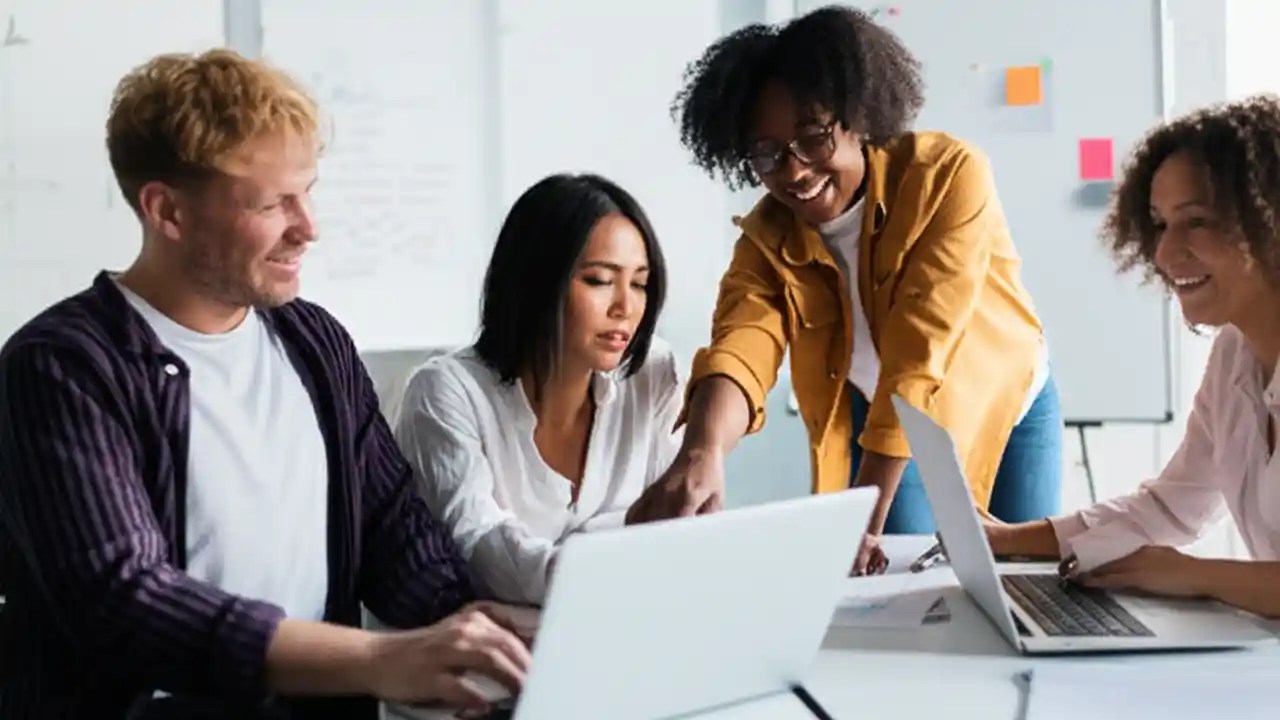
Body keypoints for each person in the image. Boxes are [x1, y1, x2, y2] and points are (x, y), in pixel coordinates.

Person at [0, 49, 531, 718]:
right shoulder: (60, 367)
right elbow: (123, 596)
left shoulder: (315, 341)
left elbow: (391, 526)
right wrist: (377, 659)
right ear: (167, 212)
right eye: (275, 203)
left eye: (308, 190)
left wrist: (476, 622)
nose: (309, 227)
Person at [628, 6, 1062, 572]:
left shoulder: (947, 176)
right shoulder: (766, 238)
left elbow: (919, 352)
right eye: (767, 154)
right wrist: (703, 450)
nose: (794, 170)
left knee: (1022, 584)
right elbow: (742, 347)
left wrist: (866, 512)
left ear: (857, 119)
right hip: (891, 421)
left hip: (1010, 403)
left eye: (813, 138)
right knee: (901, 589)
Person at [988, 94, 1280, 619]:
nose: (1165, 254)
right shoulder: (1233, 354)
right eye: (1159, 224)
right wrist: (1006, 539)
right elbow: (1169, 507)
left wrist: (1195, 576)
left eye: (1196, 222)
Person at [394, 173, 681, 605]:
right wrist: (608, 569)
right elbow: (479, 546)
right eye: (600, 280)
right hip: (486, 658)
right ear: (536, 280)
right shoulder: (445, 392)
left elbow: (677, 543)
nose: (626, 307)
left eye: (639, 283)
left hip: (621, 637)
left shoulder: (652, 375)